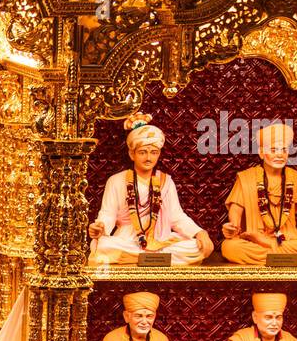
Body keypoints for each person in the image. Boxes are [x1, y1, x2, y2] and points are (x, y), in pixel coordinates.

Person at [89, 113, 212, 266]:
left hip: (161, 239)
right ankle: (155, 260)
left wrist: (200, 232)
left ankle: (138, 259)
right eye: (142, 152)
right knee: (104, 245)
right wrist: (100, 228)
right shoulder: (116, 181)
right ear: (131, 154)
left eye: (153, 152)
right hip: (128, 241)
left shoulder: (166, 181)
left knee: (195, 246)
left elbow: (177, 216)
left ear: (159, 154)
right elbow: (107, 214)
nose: (148, 158)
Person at [220, 122, 297, 264]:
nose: (279, 155)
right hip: (256, 240)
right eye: (273, 150)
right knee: (230, 247)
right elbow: (236, 209)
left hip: (288, 238)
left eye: (283, 150)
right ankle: (295, 259)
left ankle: (274, 253)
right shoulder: (247, 177)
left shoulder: (294, 177)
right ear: (261, 153)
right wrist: (233, 227)